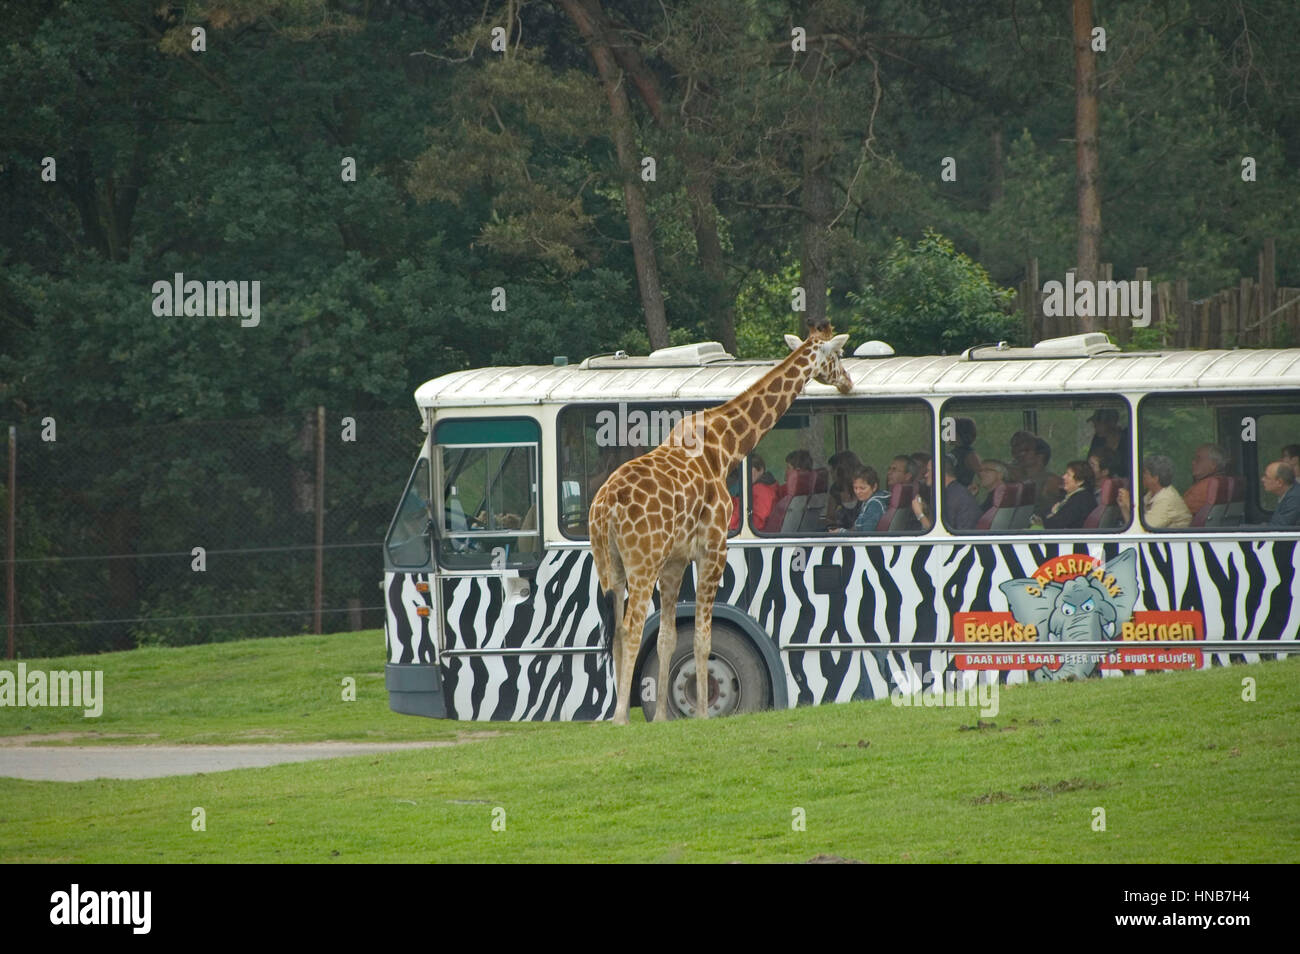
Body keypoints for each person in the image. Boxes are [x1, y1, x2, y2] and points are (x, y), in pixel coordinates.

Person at [1118, 455, 1191, 528]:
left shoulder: (1166, 499)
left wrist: (1129, 504)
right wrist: (1124, 506)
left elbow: (1145, 528)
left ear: (1155, 478)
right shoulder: (1152, 494)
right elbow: (1135, 528)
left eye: (1145, 473)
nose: (1141, 476)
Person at [911, 455, 980, 531]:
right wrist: (926, 511)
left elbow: (940, 537)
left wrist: (920, 514)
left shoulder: (956, 498)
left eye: (928, 471)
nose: (925, 475)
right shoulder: (949, 493)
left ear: (939, 472)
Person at [1034, 460, 1095, 529]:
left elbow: (1056, 524)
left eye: (1068, 475)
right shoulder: (1075, 497)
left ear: (1080, 481)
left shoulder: (1080, 500)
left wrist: (1048, 516)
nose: (1063, 477)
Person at [833, 466, 891, 532]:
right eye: (855, 488)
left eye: (862, 488)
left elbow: (866, 535)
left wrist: (841, 532)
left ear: (874, 487)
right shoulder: (866, 501)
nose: (858, 492)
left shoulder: (874, 505)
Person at [1183, 444, 1229, 515]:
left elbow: (1176, 512)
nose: (1193, 462)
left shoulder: (1205, 486)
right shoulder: (1221, 482)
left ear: (1213, 464)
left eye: (1198, 459)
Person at [826, 450, 864, 529]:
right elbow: (830, 518)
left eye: (833, 469)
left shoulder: (865, 489)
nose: (830, 473)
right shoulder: (835, 490)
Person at [1086, 408, 1129, 475]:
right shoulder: (1097, 440)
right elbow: (1089, 461)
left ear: (1112, 423)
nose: (1095, 427)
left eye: (1099, 423)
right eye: (1094, 424)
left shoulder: (1127, 438)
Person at [1261, 461, 1300, 527]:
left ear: (1279, 482)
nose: (1262, 479)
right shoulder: (1288, 494)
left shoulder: (1295, 499)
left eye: (1267, 477)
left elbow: (1278, 528)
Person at [949, 417, 981, 492]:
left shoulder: (969, 455)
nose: (947, 433)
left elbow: (982, 473)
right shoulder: (955, 451)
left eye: (950, 430)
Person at [748, 453, 779, 529]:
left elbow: (758, 523)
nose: (747, 473)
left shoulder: (761, 489)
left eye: (752, 470)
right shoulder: (758, 487)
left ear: (761, 470)